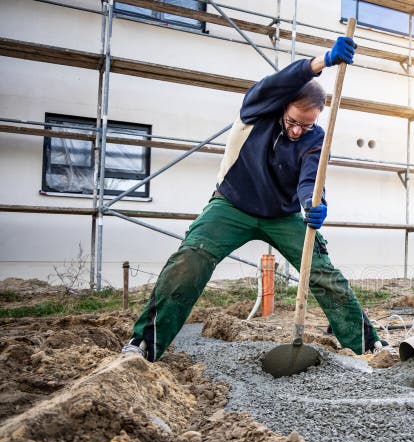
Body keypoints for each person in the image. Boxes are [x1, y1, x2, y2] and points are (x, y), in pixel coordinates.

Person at [122, 36, 385, 361]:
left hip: (282, 215)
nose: (297, 131)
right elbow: (277, 82)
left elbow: (311, 178)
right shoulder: (256, 110)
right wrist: (321, 62)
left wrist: (313, 205)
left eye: (307, 124)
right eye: (292, 122)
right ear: (282, 106)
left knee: (323, 272)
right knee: (190, 262)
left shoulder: (316, 138)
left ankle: (368, 347)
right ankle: (145, 344)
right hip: (231, 205)